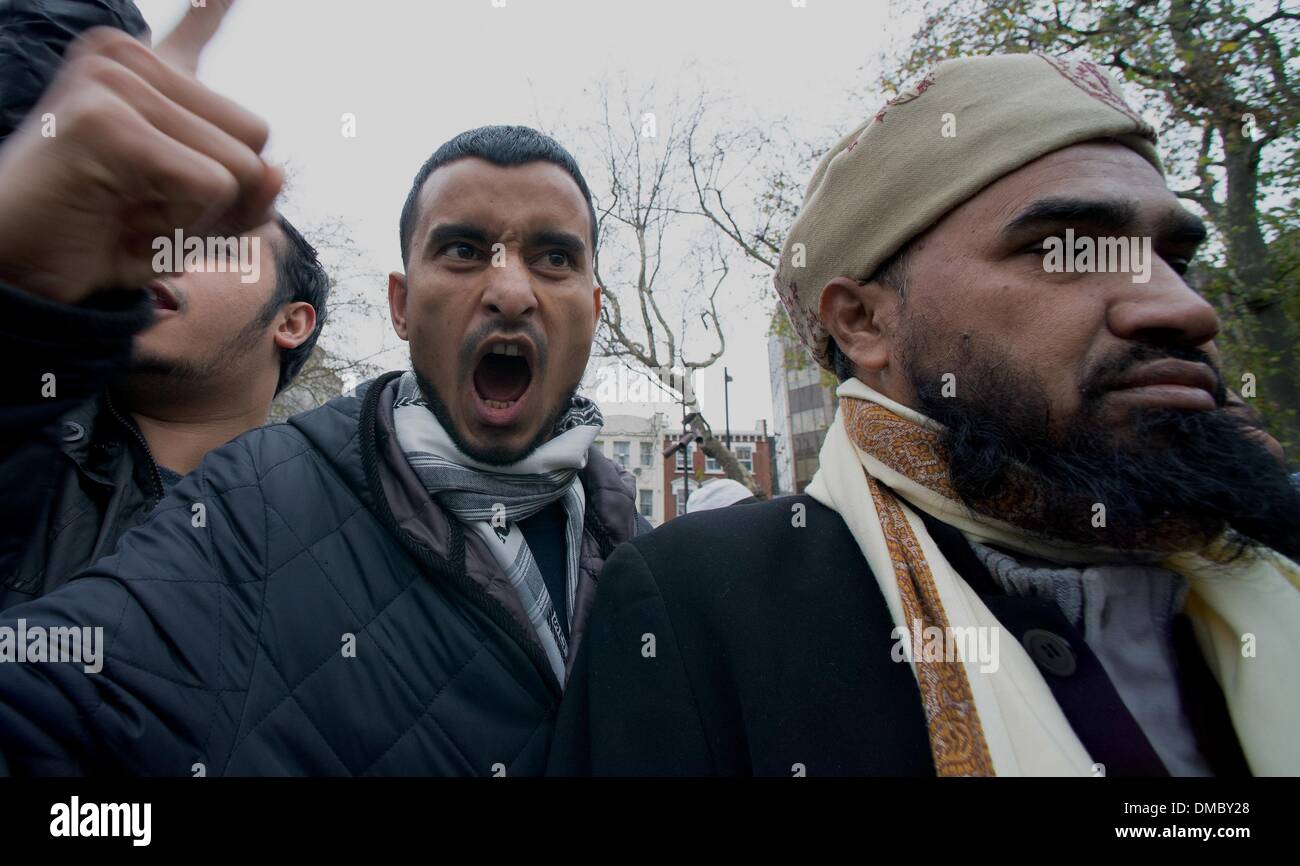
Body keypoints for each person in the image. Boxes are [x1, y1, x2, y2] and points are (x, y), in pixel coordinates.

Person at [550, 54, 1300, 777]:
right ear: (864, 323)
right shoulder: (704, 607)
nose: (1184, 308)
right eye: (1067, 252)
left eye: (1176, 258)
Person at [0, 14, 640, 773]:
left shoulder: (650, 561)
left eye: (555, 257)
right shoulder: (251, 510)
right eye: (464, 251)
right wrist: (20, 290)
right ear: (400, 305)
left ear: (594, 309)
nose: (509, 290)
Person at [0, 0, 328, 609]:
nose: (167, 254)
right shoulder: (23, 423)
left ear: (291, 320)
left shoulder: (323, 538)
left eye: (214, 244)